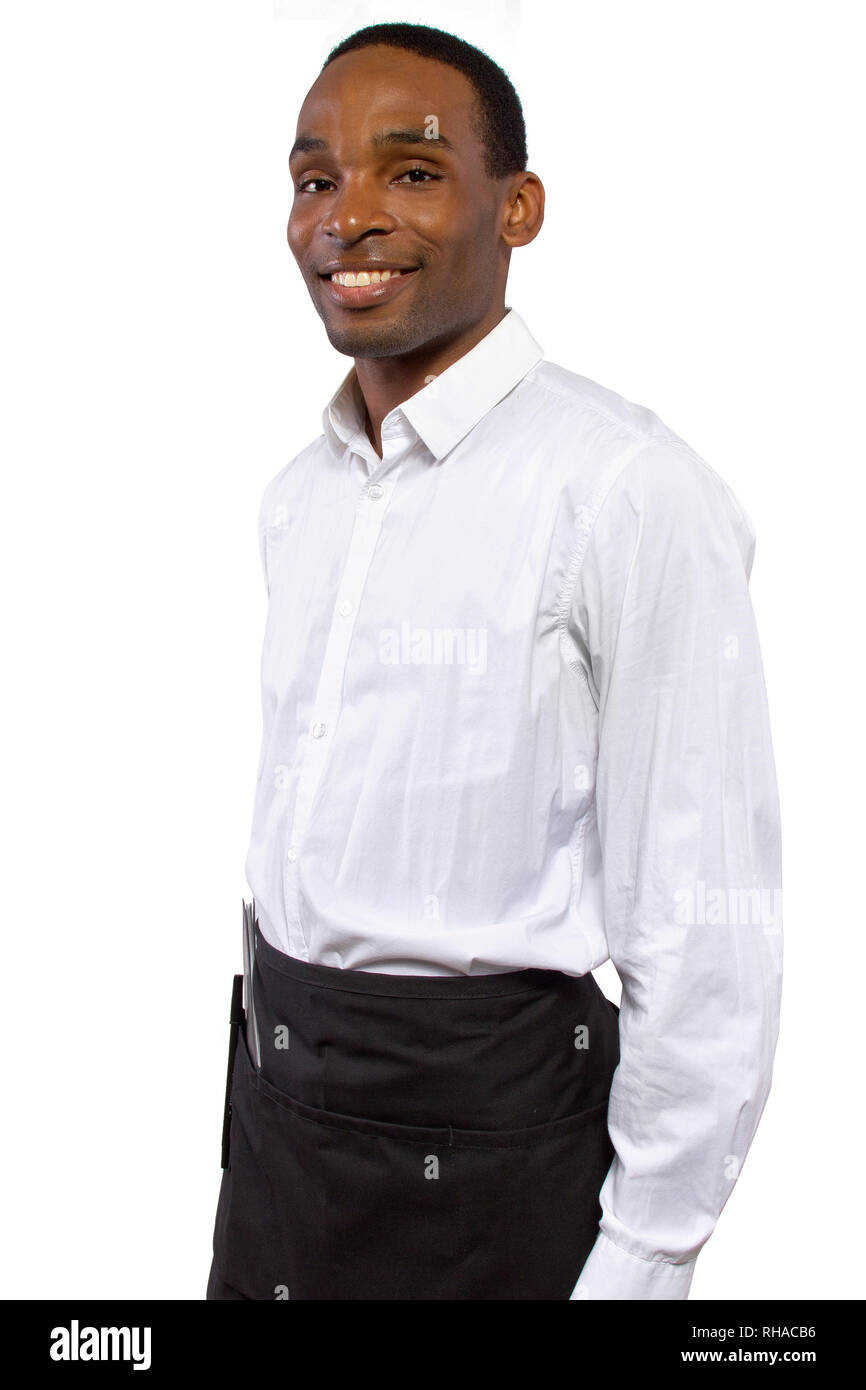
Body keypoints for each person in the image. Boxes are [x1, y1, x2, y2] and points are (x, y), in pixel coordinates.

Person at [206, 21, 783, 1301]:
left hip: (488, 1166)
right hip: (279, 1125)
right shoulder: (296, 498)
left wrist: (647, 1254)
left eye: (408, 172)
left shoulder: (628, 491)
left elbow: (700, 920)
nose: (344, 218)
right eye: (314, 179)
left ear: (514, 207)